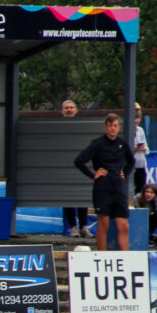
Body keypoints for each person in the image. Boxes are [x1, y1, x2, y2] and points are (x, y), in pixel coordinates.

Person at [74, 113, 135, 251]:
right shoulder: (97, 143)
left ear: (119, 127)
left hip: (118, 187)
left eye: (115, 126)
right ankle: (102, 255)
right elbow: (79, 161)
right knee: (104, 224)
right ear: (105, 127)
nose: (112, 129)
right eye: (109, 126)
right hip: (103, 187)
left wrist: (124, 173)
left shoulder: (122, 143)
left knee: (123, 225)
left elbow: (131, 160)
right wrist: (93, 175)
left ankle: (125, 257)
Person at [60, 99, 91, 238]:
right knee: (67, 197)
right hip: (65, 167)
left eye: (71, 107)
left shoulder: (82, 126)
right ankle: (73, 226)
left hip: (80, 165)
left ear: (76, 110)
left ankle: (84, 226)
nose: (69, 110)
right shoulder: (58, 126)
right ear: (62, 111)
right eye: (66, 108)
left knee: (82, 196)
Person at [136, 182, 157, 247]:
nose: (149, 194)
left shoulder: (154, 201)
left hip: (147, 223)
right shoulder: (137, 198)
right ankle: (149, 237)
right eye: (147, 192)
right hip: (138, 223)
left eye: (152, 193)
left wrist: (156, 199)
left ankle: (149, 236)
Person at [133, 102, 150, 195]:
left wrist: (144, 148)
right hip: (132, 165)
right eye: (134, 122)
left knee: (141, 189)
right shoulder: (126, 130)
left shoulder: (140, 130)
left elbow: (147, 150)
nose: (136, 125)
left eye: (137, 122)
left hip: (141, 164)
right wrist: (134, 148)